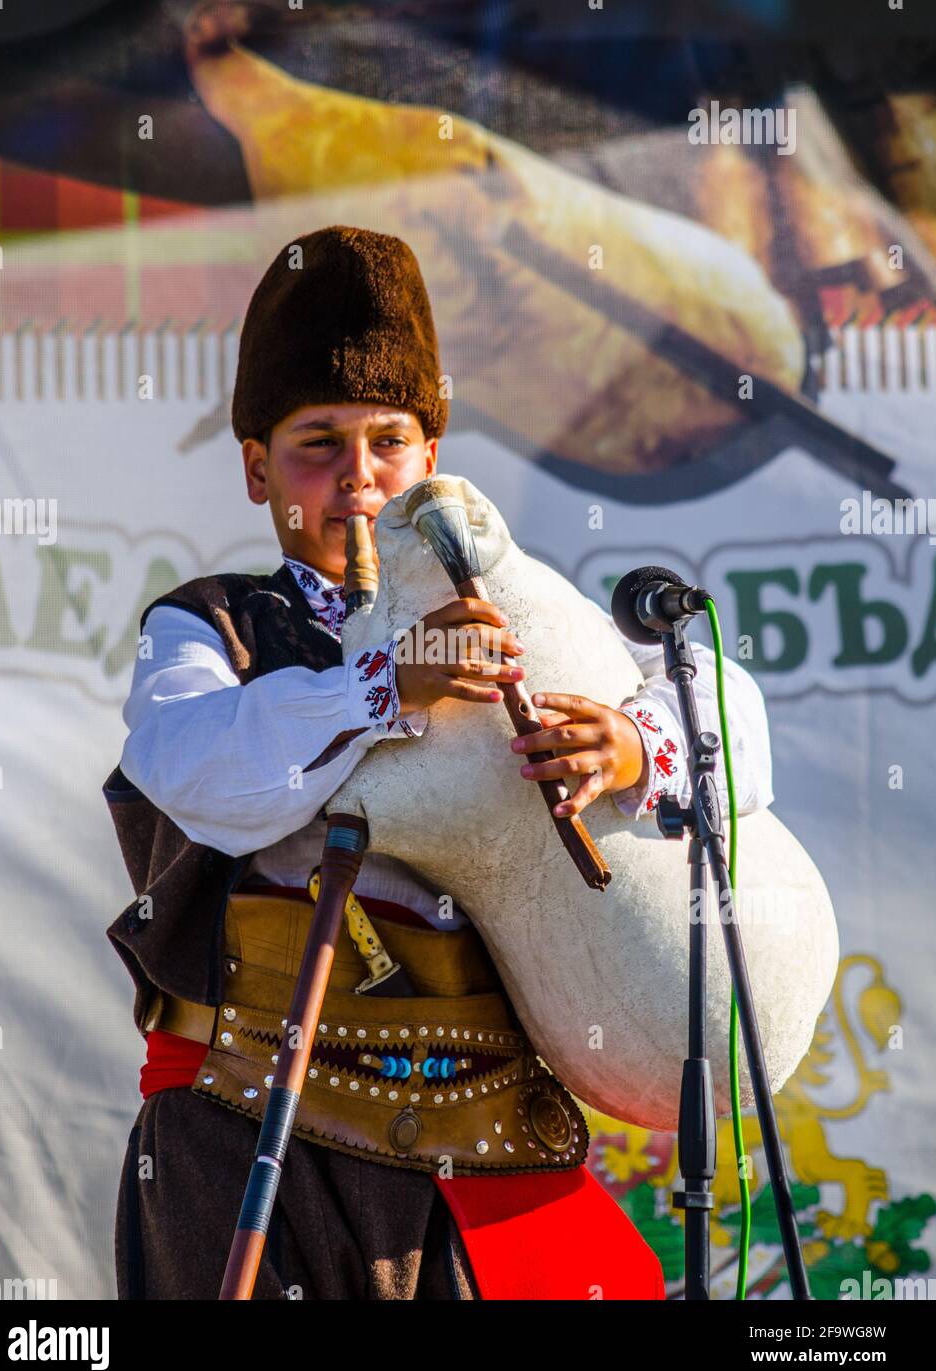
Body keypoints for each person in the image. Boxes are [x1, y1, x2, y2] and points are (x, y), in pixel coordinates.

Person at [103, 224, 773, 1300]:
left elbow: (727, 703)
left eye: (390, 442)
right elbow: (189, 760)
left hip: (483, 1139)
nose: (358, 480)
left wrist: (635, 741)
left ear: (431, 460)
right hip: (248, 1128)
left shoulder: (509, 611)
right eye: (318, 442)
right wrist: (383, 688)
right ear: (255, 466)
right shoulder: (208, 628)